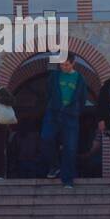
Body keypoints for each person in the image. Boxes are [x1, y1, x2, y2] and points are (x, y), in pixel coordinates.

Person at [41, 52, 88, 188]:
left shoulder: (80, 79)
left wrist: (76, 111)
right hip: (53, 113)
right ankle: (55, 165)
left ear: (73, 63)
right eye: (61, 64)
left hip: (71, 116)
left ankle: (67, 179)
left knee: (70, 147)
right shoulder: (54, 76)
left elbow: (83, 98)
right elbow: (48, 92)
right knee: (46, 137)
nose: (64, 67)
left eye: (67, 65)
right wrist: (53, 105)